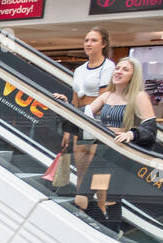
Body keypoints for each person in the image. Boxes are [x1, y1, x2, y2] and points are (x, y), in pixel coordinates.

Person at [82, 57, 156, 223]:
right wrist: (65, 104)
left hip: (121, 154)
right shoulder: (107, 95)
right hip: (102, 151)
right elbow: (84, 113)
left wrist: (131, 134)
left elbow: (150, 128)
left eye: (125, 69)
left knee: (111, 198)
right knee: (84, 197)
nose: (119, 72)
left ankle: (112, 230)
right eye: (118, 68)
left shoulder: (139, 96)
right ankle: (105, 226)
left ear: (133, 75)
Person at [52, 27, 115, 209]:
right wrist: (68, 128)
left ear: (103, 44)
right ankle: (84, 209)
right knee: (81, 170)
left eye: (94, 40)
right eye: (87, 40)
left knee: (97, 173)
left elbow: (104, 99)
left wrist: (86, 118)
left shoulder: (108, 67)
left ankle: (103, 210)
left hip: (98, 124)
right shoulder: (79, 70)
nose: (88, 44)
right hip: (80, 121)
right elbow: (75, 100)